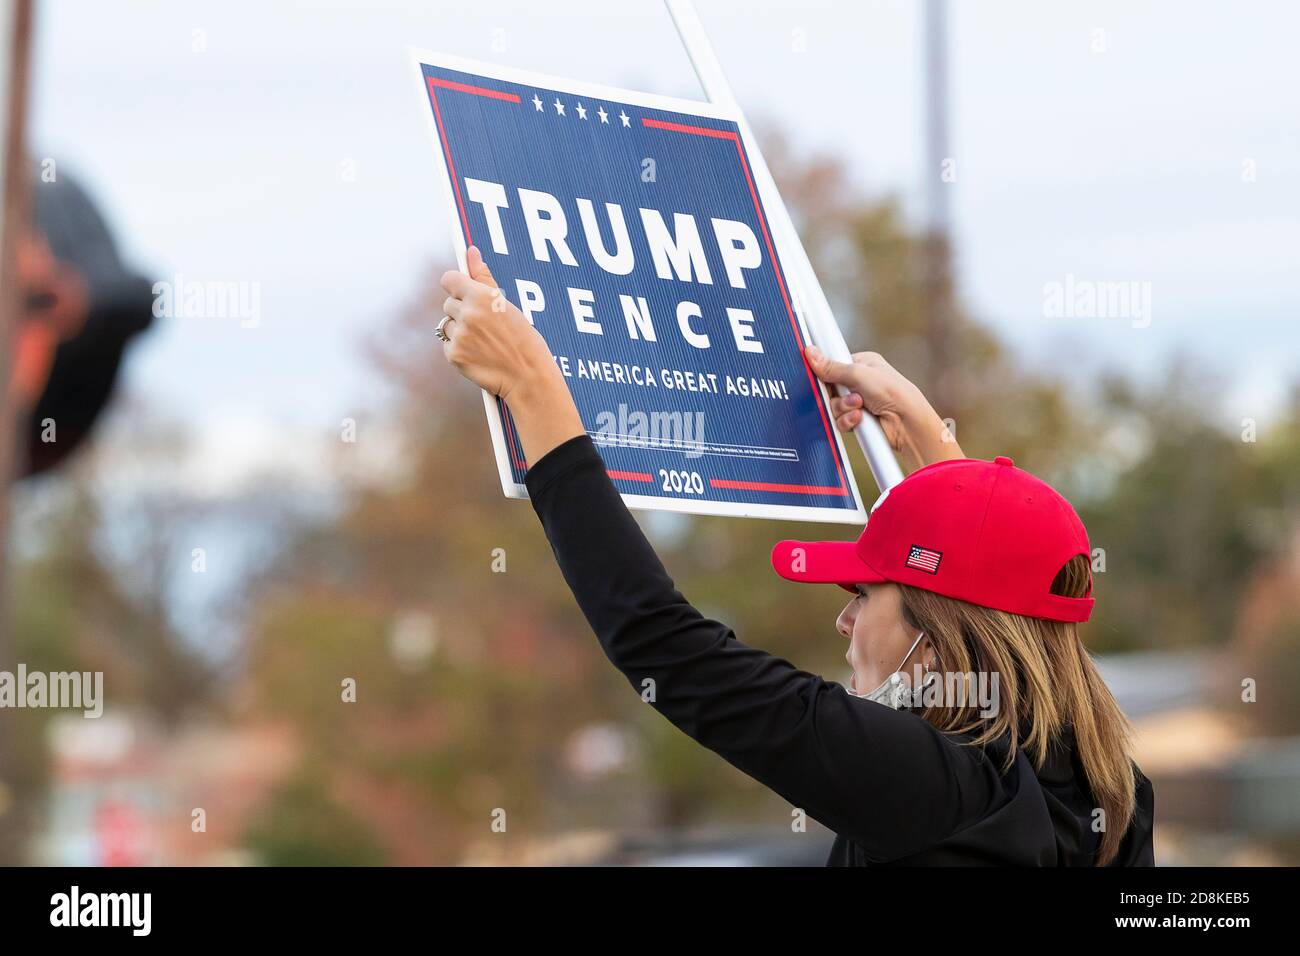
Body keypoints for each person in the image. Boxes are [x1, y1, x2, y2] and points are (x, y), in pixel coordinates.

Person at [437, 246, 1155, 866]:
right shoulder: (1107, 790)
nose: (844, 624)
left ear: (937, 643)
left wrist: (532, 387)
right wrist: (928, 434)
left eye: (862, 596)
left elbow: (668, 647)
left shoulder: (930, 785)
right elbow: (1011, 605)